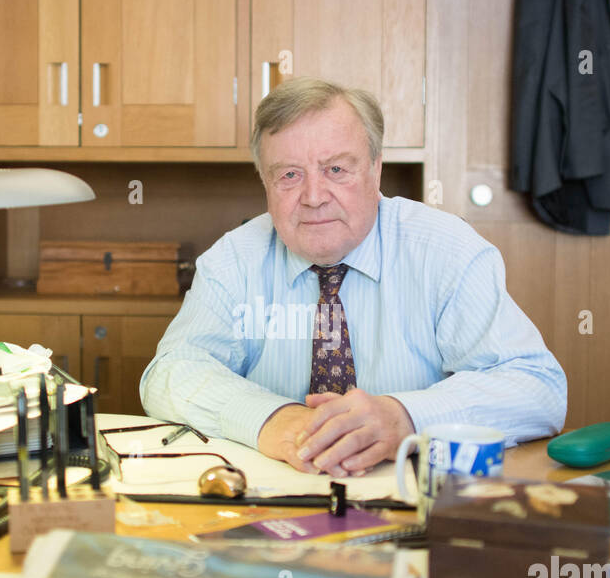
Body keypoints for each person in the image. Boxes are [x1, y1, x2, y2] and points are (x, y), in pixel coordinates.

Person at [140, 77, 566, 478]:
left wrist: (406, 417)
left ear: (376, 169)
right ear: (265, 182)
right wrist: (272, 418)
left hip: (416, 500)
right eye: (289, 174)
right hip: (277, 500)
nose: (313, 197)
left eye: (336, 170)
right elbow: (170, 371)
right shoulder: (234, 259)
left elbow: (537, 387)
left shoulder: (445, 250)